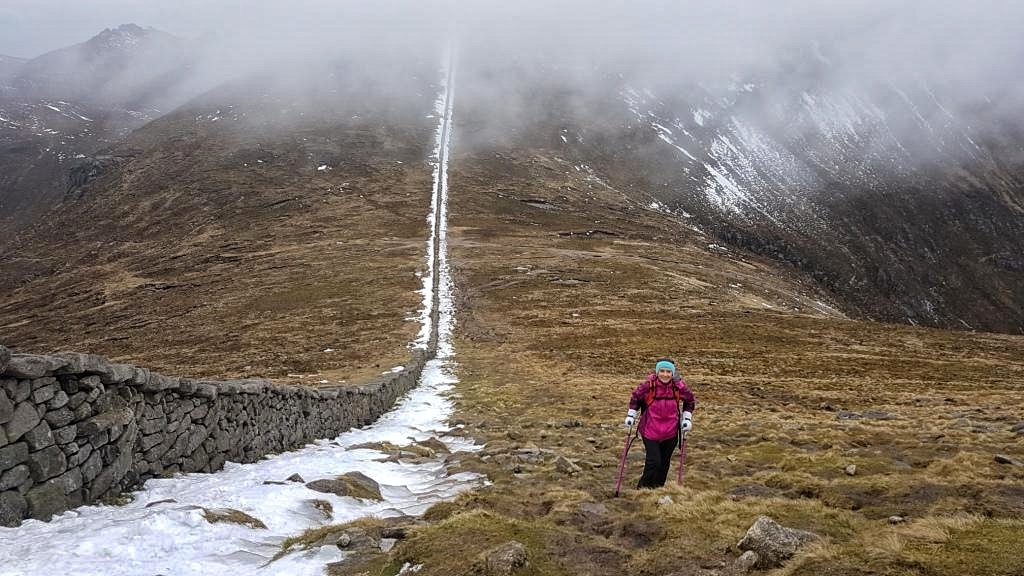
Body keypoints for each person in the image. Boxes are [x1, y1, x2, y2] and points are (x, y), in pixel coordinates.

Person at [624, 358, 696, 488]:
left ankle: (658, 488)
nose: (665, 374)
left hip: (671, 432)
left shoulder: (678, 387)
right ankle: (643, 487)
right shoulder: (648, 386)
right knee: (654, 461)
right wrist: (631, 415)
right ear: (657, 372)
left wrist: (687, 418)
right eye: (662, 371)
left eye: (668, 371)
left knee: (664, 462)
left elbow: (690, 400)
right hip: (650, 431)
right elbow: (635, 398)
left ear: (672, 373)